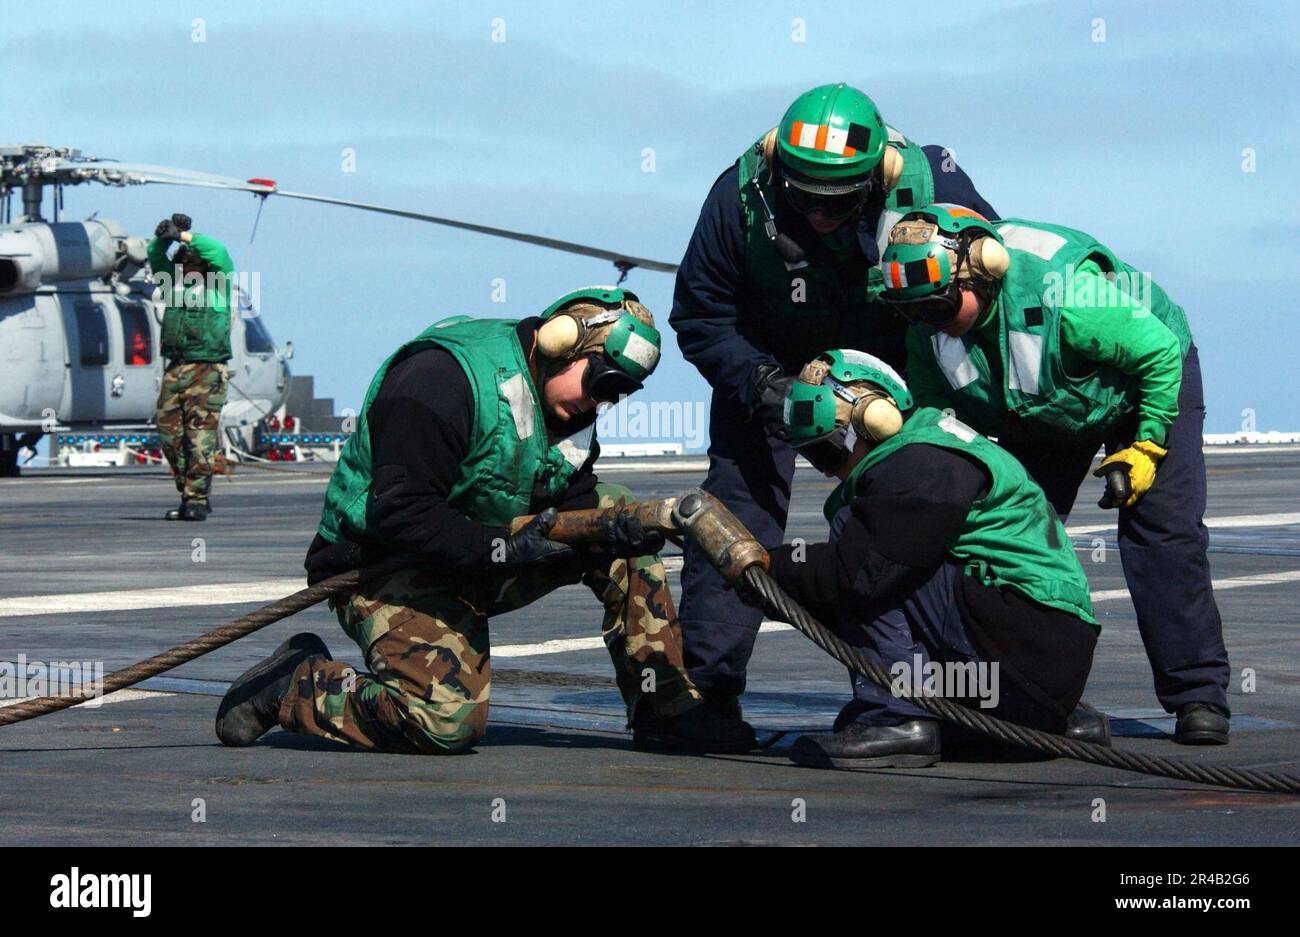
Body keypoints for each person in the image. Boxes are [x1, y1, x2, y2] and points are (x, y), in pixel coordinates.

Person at [215, 288, 754, 755]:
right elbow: (401, 513)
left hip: (485, 553)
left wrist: (616, 529)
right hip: (388, 566)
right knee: (444, 722)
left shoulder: (573, 413)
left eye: (617, 395)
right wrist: (502, 549)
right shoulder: (441, 377)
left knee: (619, 518)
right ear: (561, 344)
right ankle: (295, 684)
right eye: (600, 382)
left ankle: (666, 708)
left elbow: (576, 497)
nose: (600, 404)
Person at [669, 83, 998, 727]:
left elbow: (982, 294)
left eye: (838, 201)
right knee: (737, 509)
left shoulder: (935, 189)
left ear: (875, 178)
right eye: (804, 198)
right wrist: (764, 387)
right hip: (771, 365)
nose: (819, 216)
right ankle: (704, 694)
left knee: (904, 516)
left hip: (897, 373)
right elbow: (702, 314)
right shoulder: (738, 196)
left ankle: (937, 695)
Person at [882, 204, 1229, 744]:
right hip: (1043, 410)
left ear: (982, 273)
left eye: (941, 305)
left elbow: (1158, 353)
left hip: (1145, 385)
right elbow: (933, 417)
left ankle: (1198, 695)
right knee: (1011, 541)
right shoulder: (928, 330)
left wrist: (1148, 447)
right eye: (915, 312)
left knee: (1162, 533)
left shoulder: (1067, 296)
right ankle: (1026, 691)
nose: (933, 321)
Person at [768, 349, 1106, 769]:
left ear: (875, 419)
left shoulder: (921, 464)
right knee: (879, 551)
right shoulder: (936, 446)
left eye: (830, 452)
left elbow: (856, 575)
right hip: (1046, 670)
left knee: (866, 550)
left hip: (1022, 656)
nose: (826, 468)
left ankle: (897, 716)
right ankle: (1046, 721)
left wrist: (765, 569)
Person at [147, 212, 233, 522]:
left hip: (207, 370)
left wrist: (184, 235)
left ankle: (197, 499)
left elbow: (218, 251)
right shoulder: (172, 286)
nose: (187, 269)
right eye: (184, 265)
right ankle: (190, 491)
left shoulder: (219, 287)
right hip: (176, 369)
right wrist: (165, 236)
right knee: (169, 436)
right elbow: (154, 255)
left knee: (200, 438)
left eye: (193, 264)